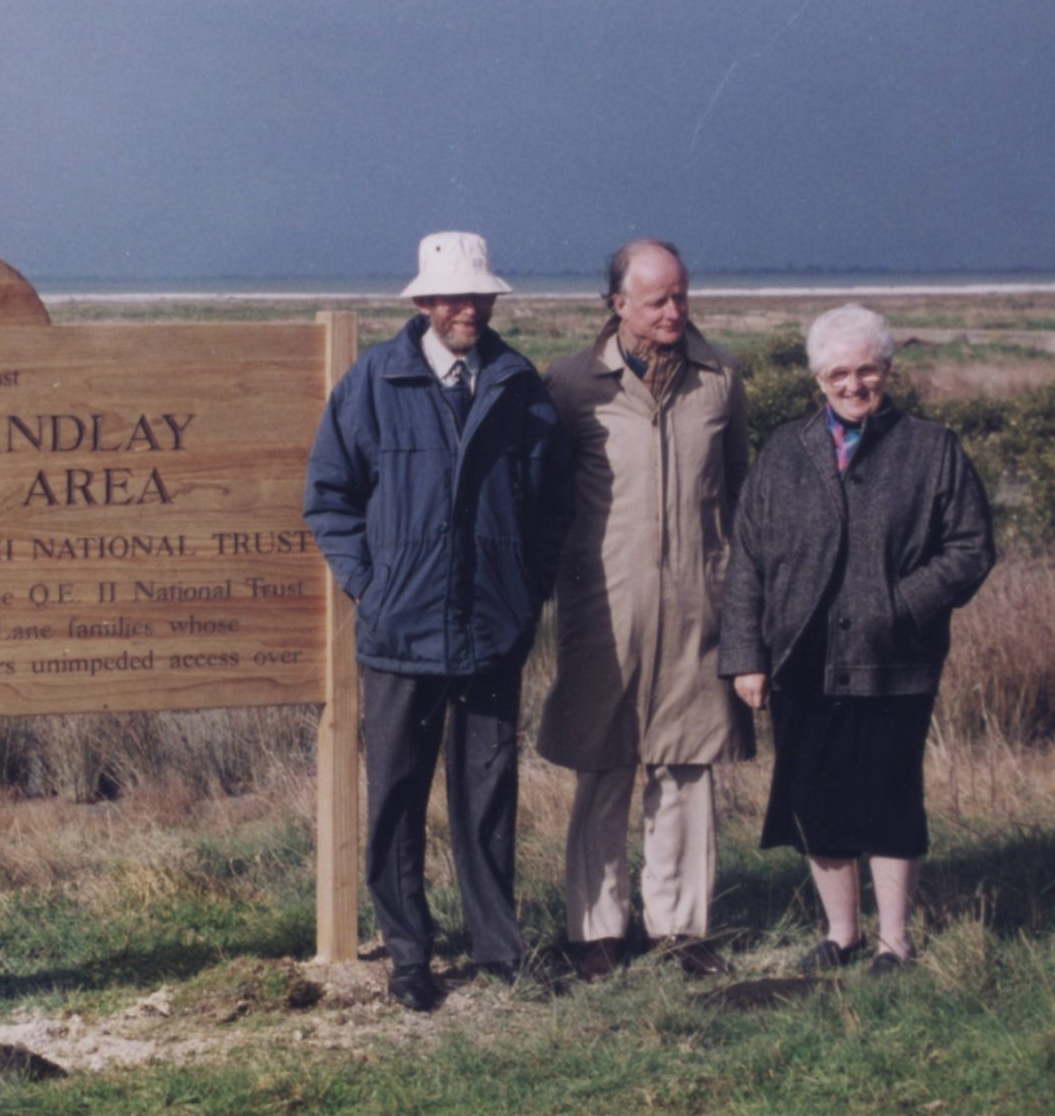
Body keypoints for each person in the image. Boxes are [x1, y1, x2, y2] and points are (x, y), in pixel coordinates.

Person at [304, 231, 570, 1012]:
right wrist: (372, 586)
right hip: (399, 635)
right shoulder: (372, 383)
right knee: (395, 796)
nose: (468, 311)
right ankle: (410, 955)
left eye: (479, 297)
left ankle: (496, 947)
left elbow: (553, 506)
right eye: (453, 298)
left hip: (492, 629)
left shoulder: (519, 384)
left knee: (488, 796)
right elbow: (329, 496)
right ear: (423, 303)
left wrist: (527, 587)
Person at [719, 304, 994, 975]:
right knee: (817, 801)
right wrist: (747, 657)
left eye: (866, 370)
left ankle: (894, 942)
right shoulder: (784, 451)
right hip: (801, 660)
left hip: (894, 662)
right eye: (838, 372)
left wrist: (900, 606)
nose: (853, 384)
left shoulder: (932, 450)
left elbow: (970, 548)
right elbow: (748, 559)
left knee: (890, 798)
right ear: (817, 379)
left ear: (888, 371)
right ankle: (840, 935)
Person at [537, 238, 755, 981]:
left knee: (687, 767)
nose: (674, 311)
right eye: (658, 299)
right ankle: (595, 932)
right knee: (603, 764)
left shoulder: (721, 377)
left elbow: (735, 491)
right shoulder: (569, 384)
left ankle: (680, 932)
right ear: (617, 304)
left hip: (700, 605)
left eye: (682, 295)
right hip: (606, 609)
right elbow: (549, 501)